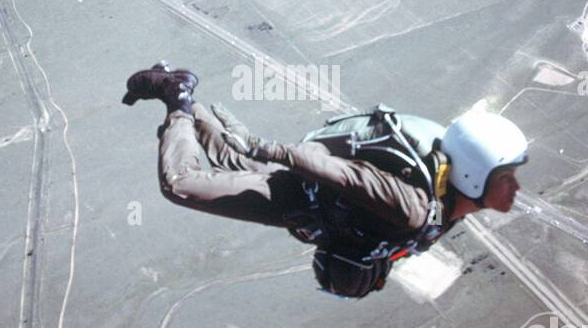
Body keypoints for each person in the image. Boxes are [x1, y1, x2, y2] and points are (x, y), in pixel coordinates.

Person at [122, 61, 528, 298]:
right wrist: (266, 147)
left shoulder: (453, 203)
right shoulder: (414, 210)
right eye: (506, 177)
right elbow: (343, 175)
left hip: (306, 200)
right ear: (475, 174)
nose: (515, 188)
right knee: (182, 182)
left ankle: (175, 84)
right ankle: (176, 97)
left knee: (229, 157)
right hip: (299, 196)